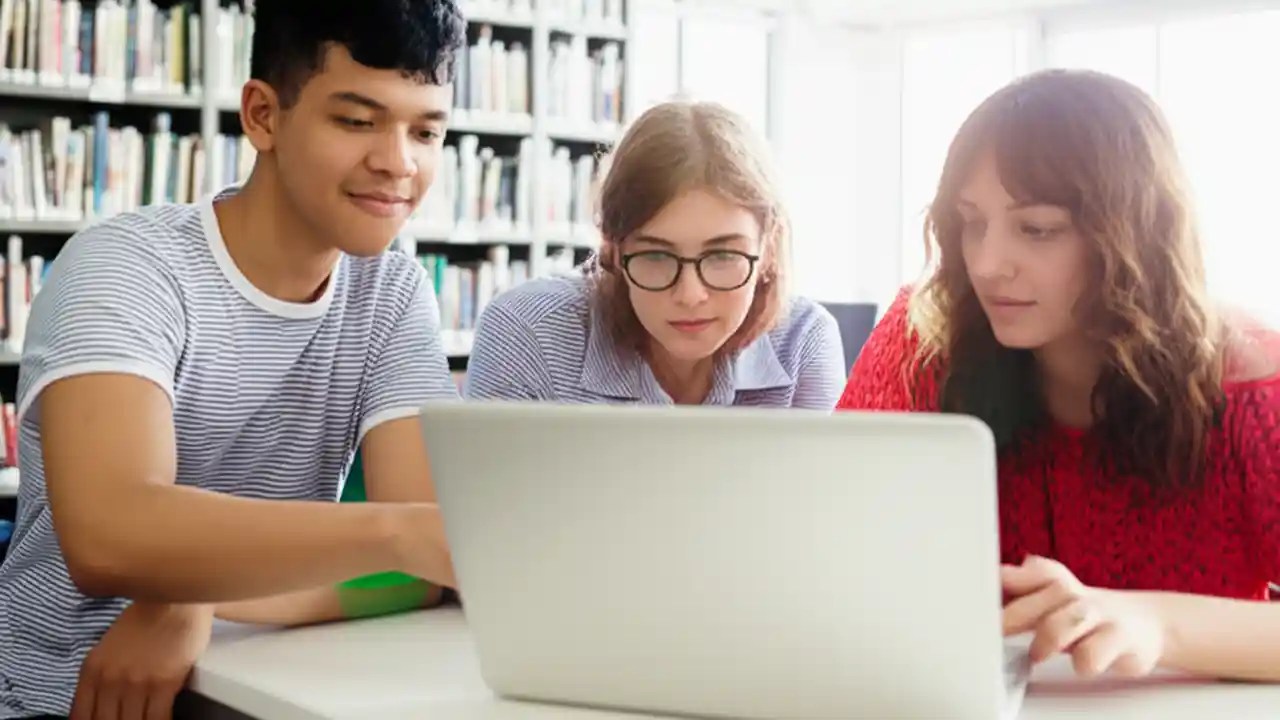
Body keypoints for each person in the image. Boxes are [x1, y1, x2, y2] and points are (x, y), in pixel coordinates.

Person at [0, 1, 467, 718]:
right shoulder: (126, 266)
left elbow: (417, 576)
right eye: (357, 120)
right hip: (56, 699)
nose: (398, 162)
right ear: (263, 116)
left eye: (426, 130)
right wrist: (400, 536)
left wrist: (199, 592)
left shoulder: (392, 292)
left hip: (255, 689)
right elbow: (111, 535)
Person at [838, 69, 1280, 682]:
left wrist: (1156, 623)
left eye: (1038, 229)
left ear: (1134, 236)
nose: (988, 265)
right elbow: (832, 554)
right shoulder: (920, 342)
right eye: (971, 223)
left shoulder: (1252, 385)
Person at [464, 101, 846, 409]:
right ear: (613, 249)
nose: (690, 295)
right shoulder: (528, 333)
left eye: (723, 255)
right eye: (656, 257)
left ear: (768, 248)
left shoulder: (802, 342)